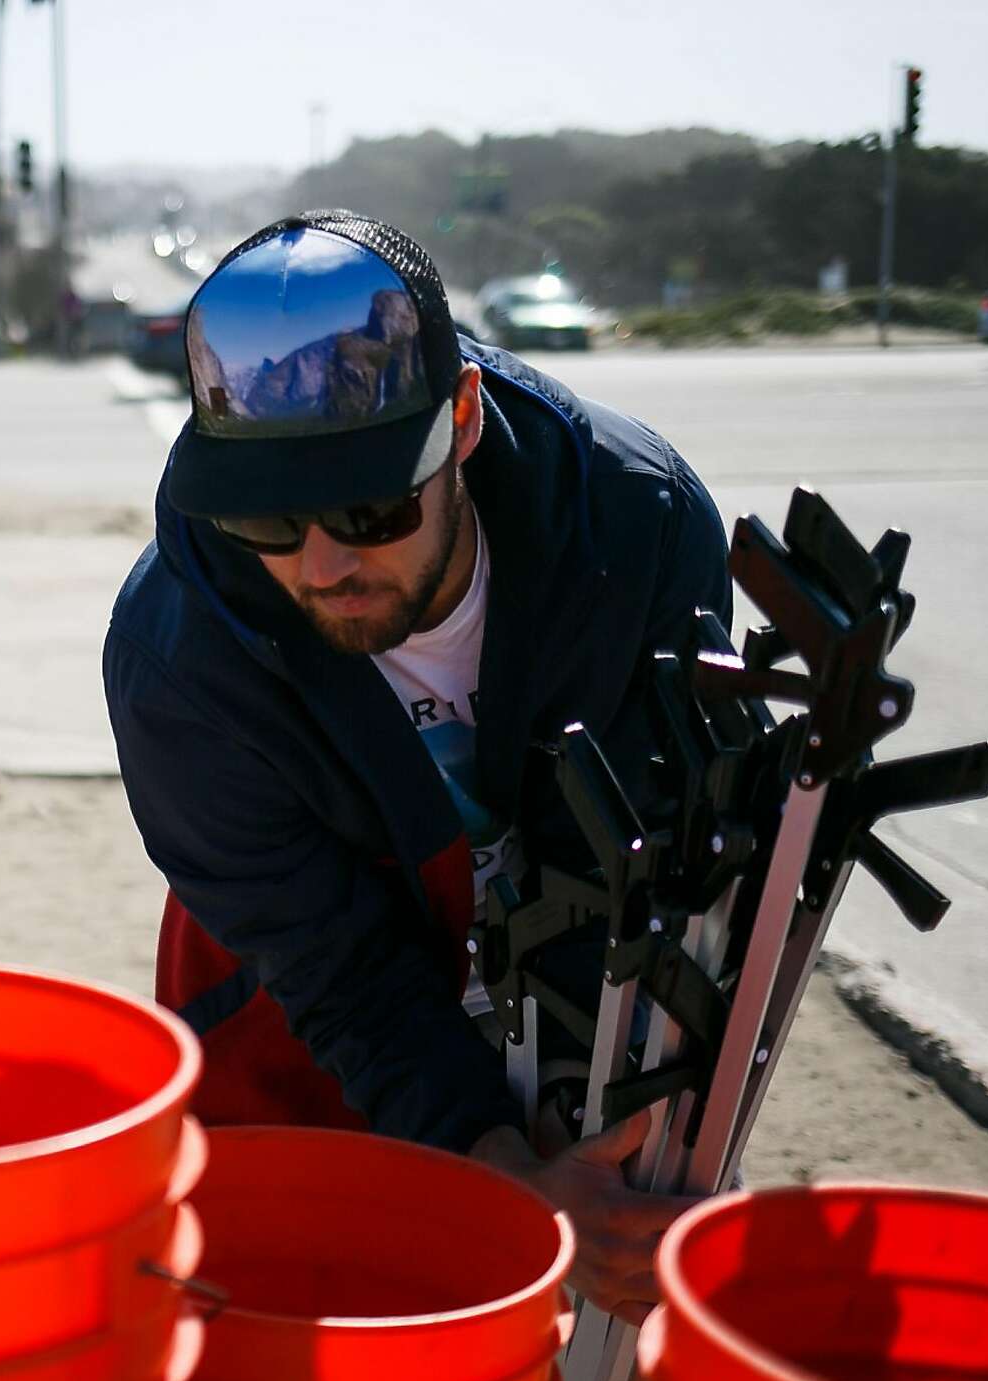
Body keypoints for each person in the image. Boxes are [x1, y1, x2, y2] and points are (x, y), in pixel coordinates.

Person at [103, 212, 731, 1319]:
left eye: (372, 503)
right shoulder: (178, 657)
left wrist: (575, 1170)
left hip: (563, 964)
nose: (324, 562)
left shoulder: (639, 528)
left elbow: (654, 855)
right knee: (293, 1309)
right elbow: (337, 973)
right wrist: (496, 1165)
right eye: (265, 518)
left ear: (465, 421)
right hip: (300, 1003)